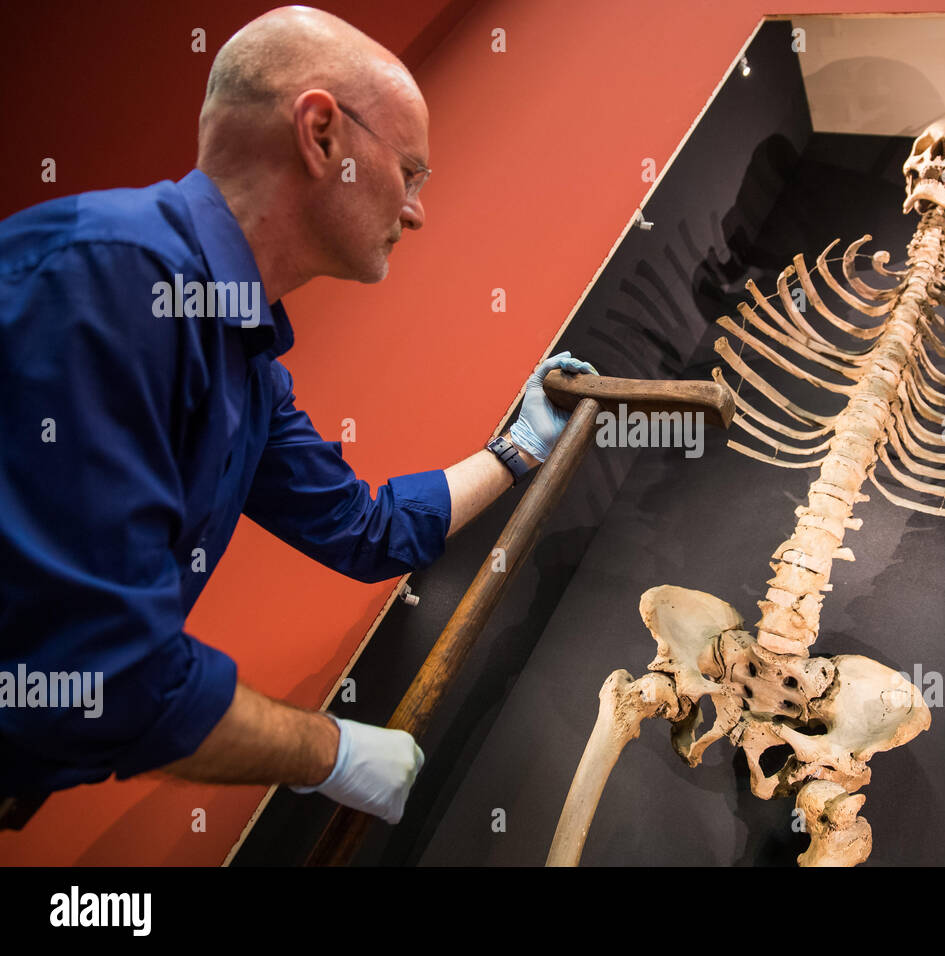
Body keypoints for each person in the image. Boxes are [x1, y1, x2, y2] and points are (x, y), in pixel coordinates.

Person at [0, 6, 595, 826]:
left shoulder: (243, 361)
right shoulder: (104, 279)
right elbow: (109, 676)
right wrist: (331, 754)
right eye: (411, 173)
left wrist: (520, 448)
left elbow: (364, 531)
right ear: (321, 135)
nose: (417, 212)